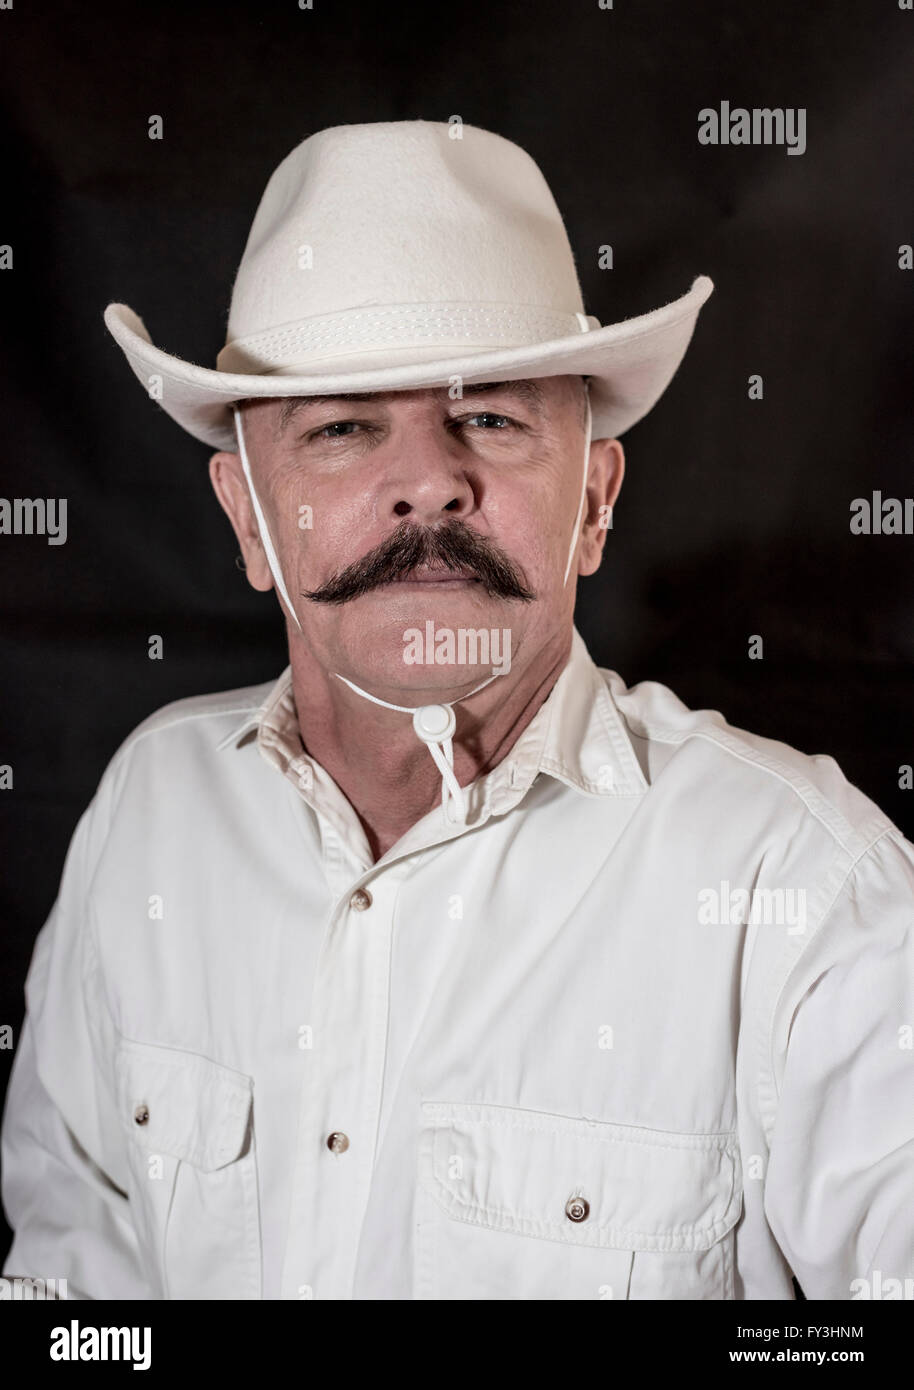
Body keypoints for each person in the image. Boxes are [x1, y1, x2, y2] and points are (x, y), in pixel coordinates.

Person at [2, 120, 912, 1301]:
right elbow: (73, 1295)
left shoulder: (804, 898)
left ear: (590, 499)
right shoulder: (151, 814)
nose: (426, 478)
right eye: (340, 427)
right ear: (246, 520)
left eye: (487, 416)